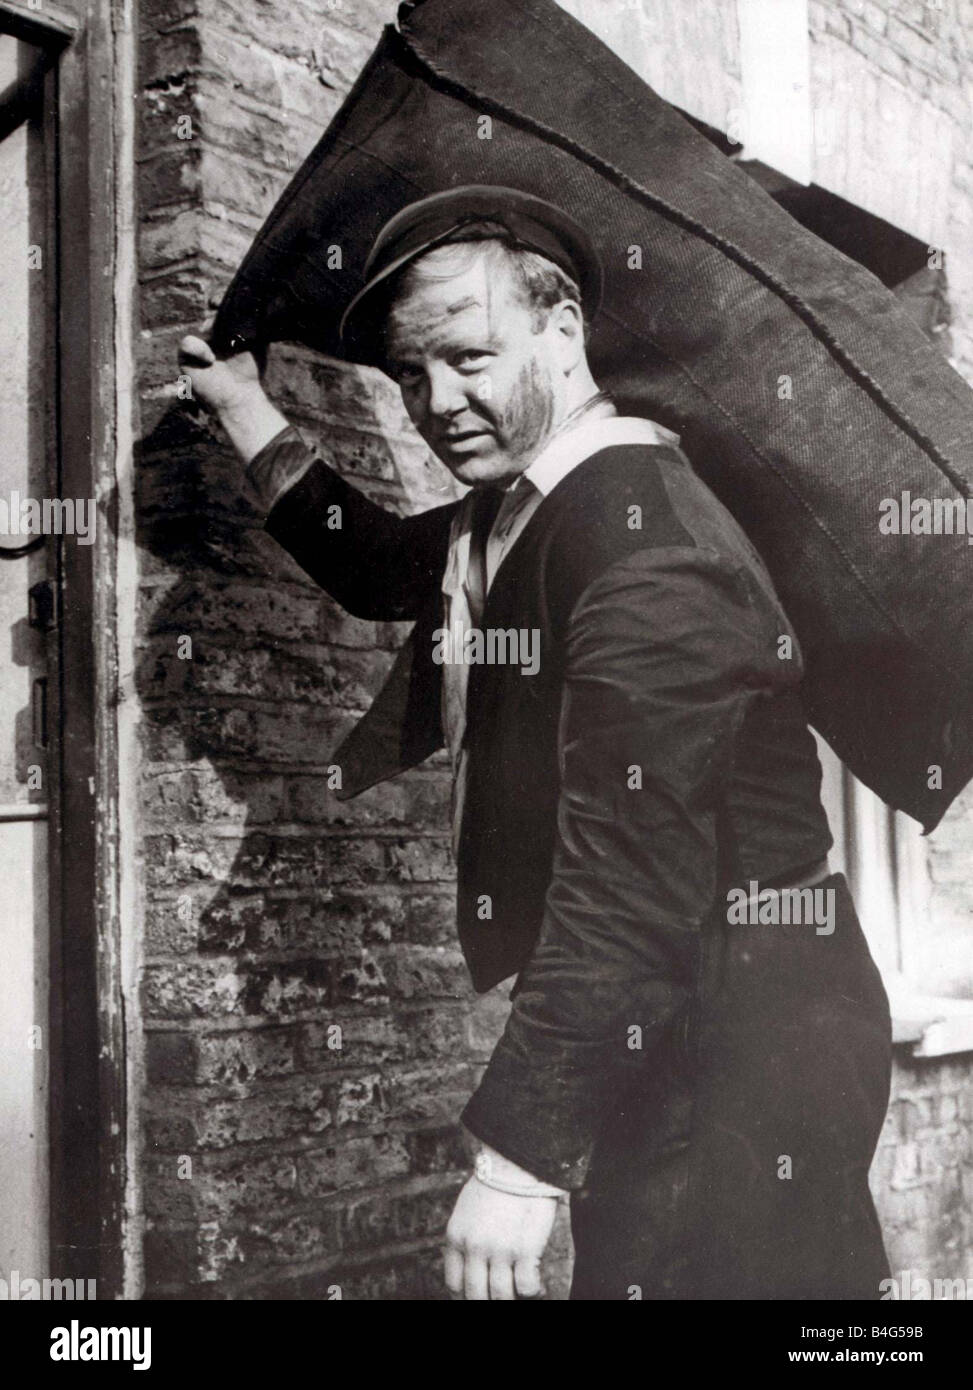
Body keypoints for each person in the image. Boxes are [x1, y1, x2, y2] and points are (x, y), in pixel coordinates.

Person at [179, 185, 892, 1301]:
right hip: (679, 1013)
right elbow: (377, 567)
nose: (436, 402)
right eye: (410, 377)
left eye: (467, 357)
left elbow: (629, 863)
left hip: (744, 1038)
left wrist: (518, 1158)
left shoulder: (639, 539)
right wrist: (243, 411)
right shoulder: (524, 507)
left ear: (562, 332)